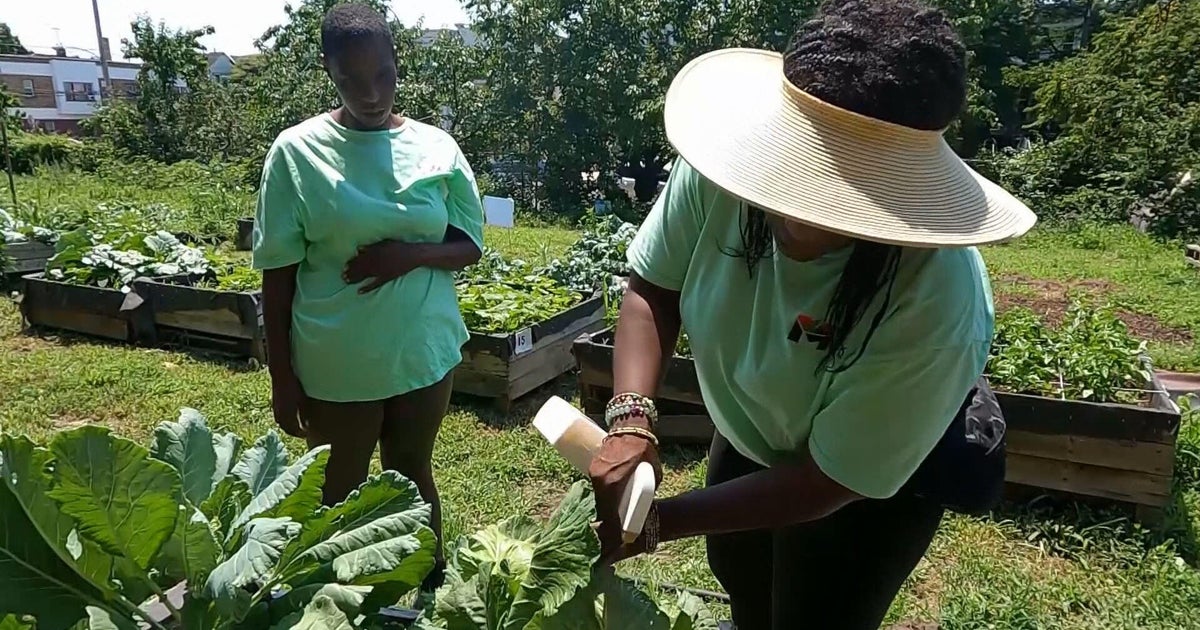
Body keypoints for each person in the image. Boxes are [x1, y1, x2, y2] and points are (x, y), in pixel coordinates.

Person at [588, 0, 1036, 628]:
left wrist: (662, 521)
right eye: (792, 180)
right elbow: (653, 289)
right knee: (740, 577)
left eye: (837, 199)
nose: (798, 221)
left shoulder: (939, 296)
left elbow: (829, 480)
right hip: (751, 425)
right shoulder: (723, 166)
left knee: (819, 613)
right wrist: (631, 418)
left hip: (865, 480)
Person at [252, 3, 483, 594]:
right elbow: (277, 277)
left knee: (412, 476)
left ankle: (429, 594)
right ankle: (341, 602)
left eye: (383, 75)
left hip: (422, 354)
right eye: (351, 79)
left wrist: (407, 255)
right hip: (337, 362)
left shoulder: (436, 146)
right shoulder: (297, 152)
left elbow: (469, 245)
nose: (371, 94)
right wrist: (282, 376)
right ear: (327, 71)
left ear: (397, 63)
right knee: (339, 494)